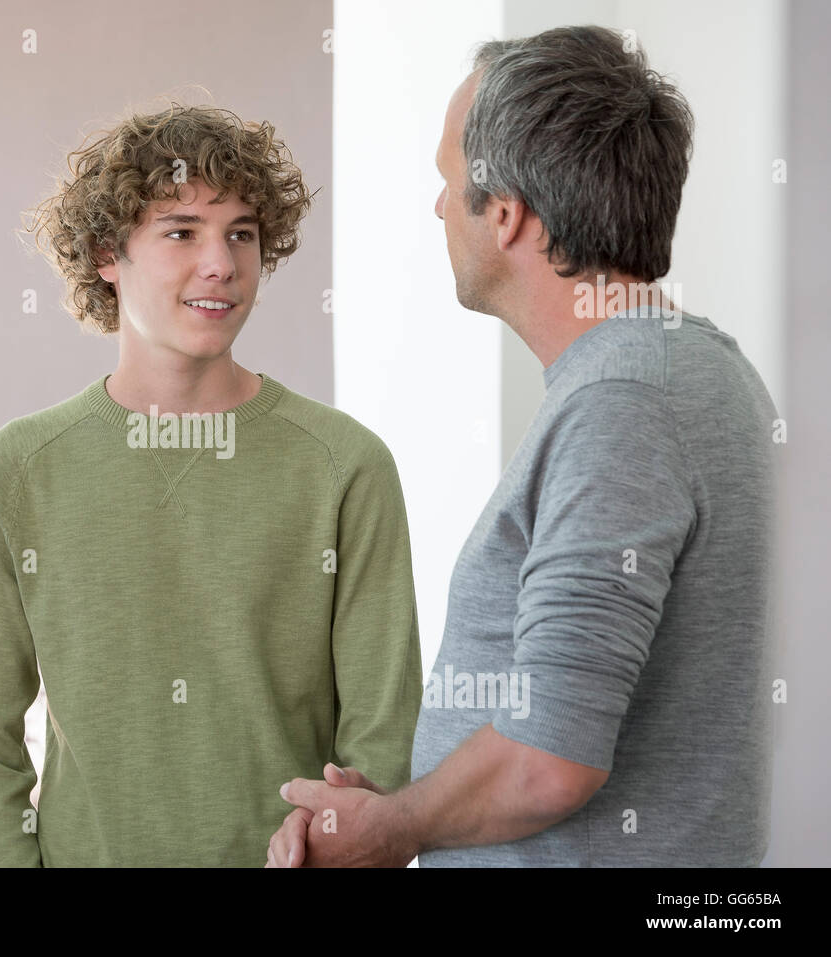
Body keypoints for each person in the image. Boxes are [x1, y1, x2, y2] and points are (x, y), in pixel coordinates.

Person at [271, 25, 777, 867]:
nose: (439, 206)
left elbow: (551, 758)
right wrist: (413, 805)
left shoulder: (622, 406)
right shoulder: (700, 369)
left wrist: (392, 829)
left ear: (505, 213)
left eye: (447, 180)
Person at [0, 104, 423, 866]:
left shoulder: (345, 465)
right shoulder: (17, 471)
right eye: (182, 232)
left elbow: (381, 733)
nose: (221, 264)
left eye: (242, 233)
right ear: (108, 253)